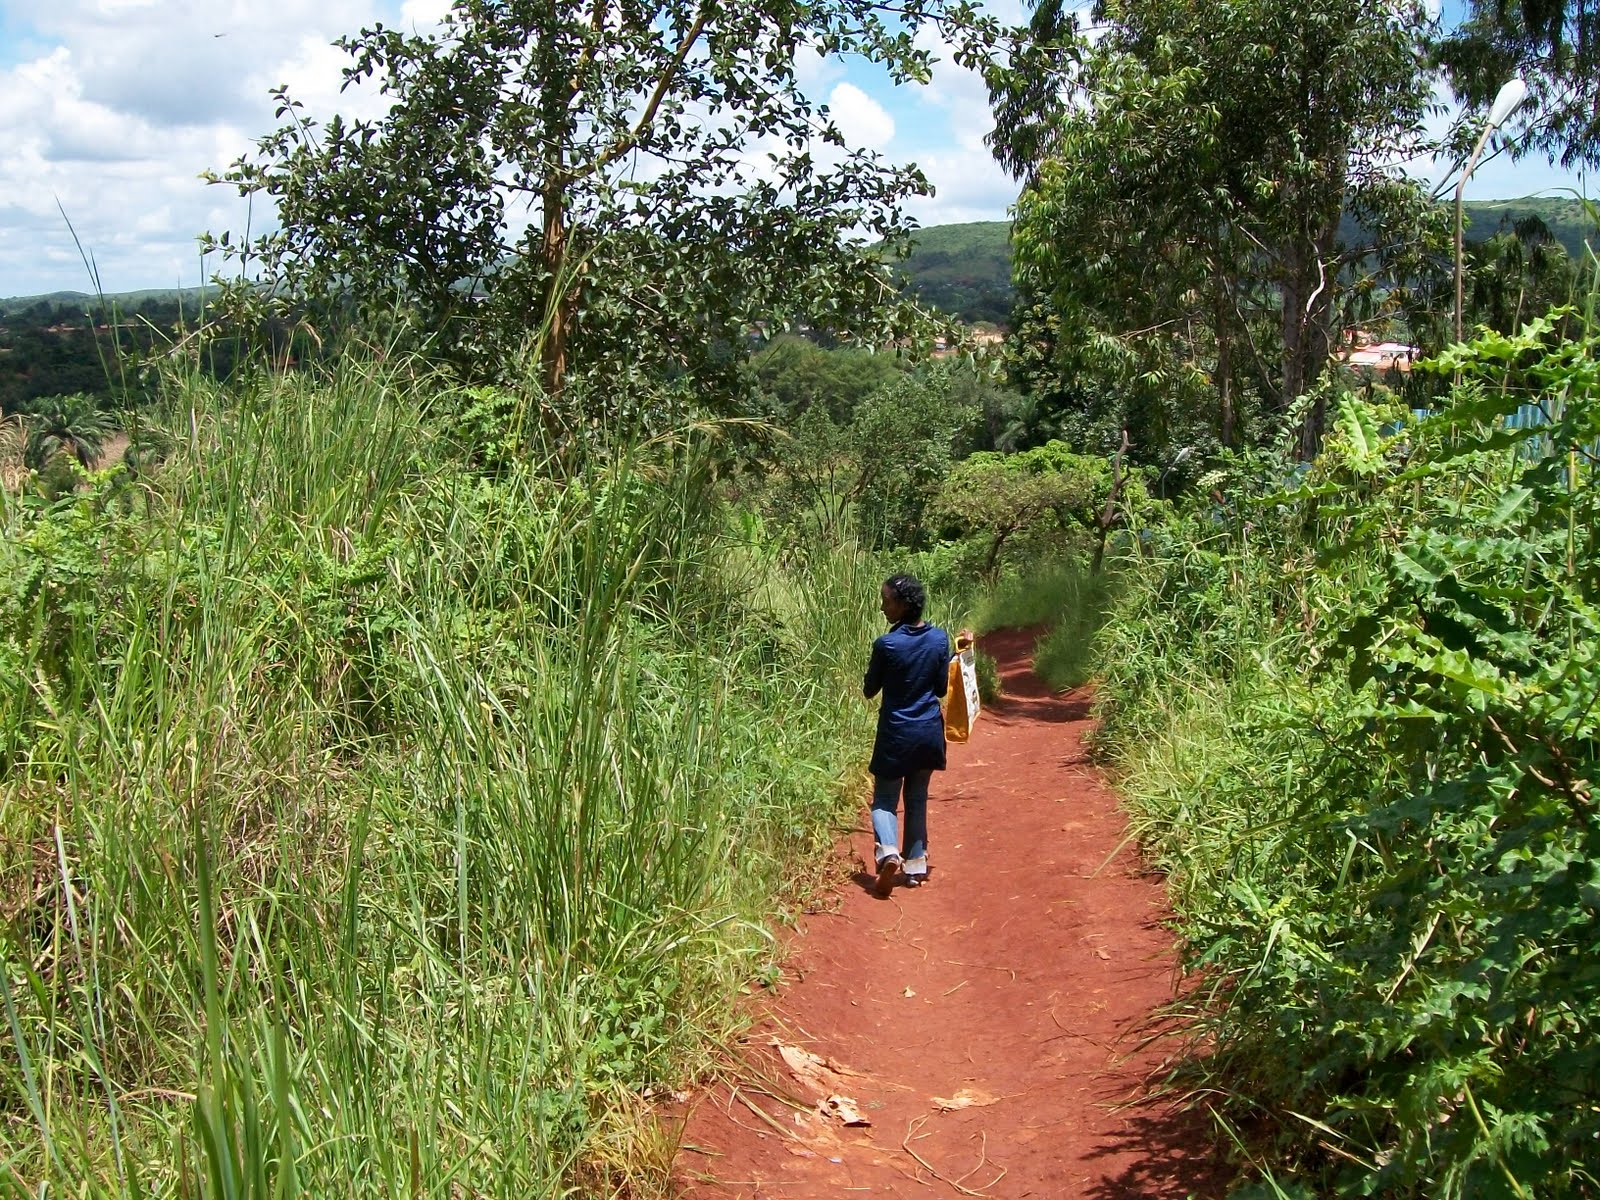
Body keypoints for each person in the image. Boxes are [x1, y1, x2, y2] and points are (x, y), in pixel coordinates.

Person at [863, 573, 951, 894]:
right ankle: (915, 867)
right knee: (916, 799)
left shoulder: (886, 644)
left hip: (896, 735)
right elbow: (941, 687)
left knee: (885, 800)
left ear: (902, 605)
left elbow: (870, 690)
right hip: (928, 733)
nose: (883, 606)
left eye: (887, 600)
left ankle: (888, 851)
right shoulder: (940, 640)